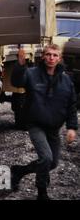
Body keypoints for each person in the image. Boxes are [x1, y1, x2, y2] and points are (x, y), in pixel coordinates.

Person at [10, 44, 78, 200]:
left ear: (60, 58)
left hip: (54, 128)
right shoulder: (32, 73)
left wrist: (72, 127)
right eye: (48, 54)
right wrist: (20, 65)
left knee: (52, 163)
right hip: (36, 124)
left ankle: (19, 171)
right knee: (46, 158)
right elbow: (17, 82)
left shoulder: (66, 80)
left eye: (55, 55)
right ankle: (42, 192)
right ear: (43, 56)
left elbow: (71, 105)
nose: (51, 58)